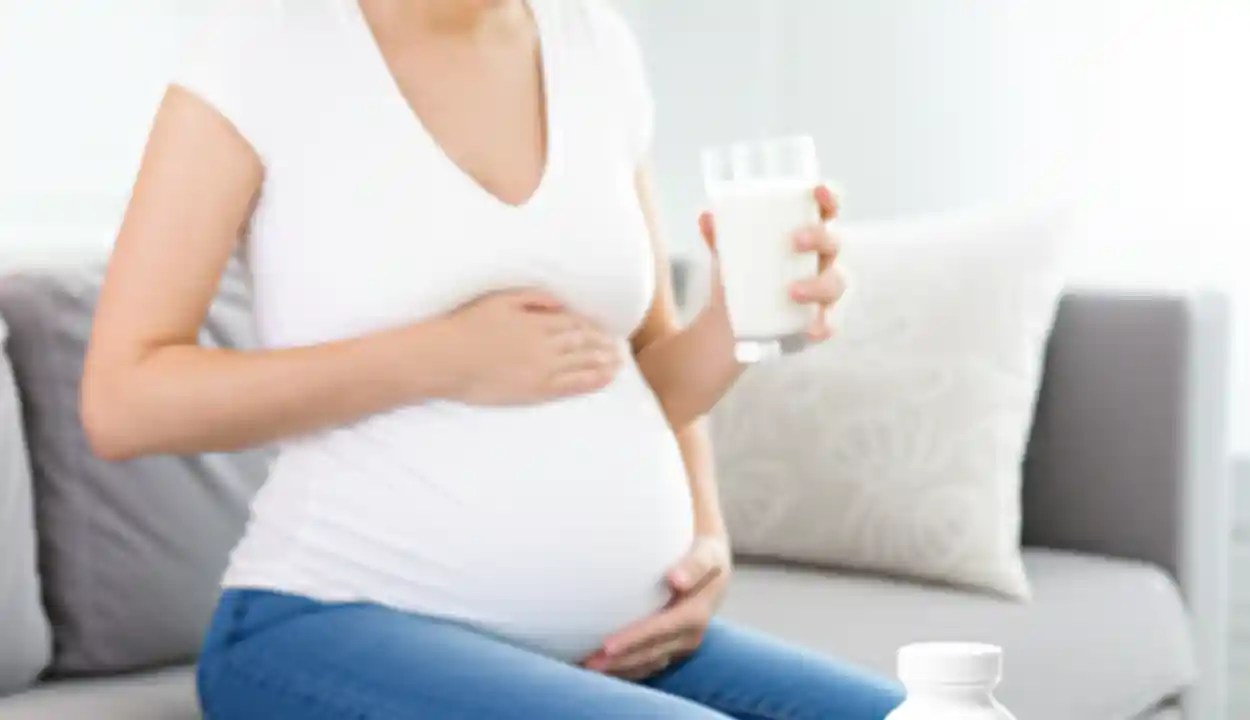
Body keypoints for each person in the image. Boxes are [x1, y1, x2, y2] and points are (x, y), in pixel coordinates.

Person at [81, 0, 903, 717]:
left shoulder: (596, 47)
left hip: (616, 644)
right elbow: (124, 398)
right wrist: (439, 357)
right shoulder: (268, 43)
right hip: (323, 625)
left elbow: (641, 378)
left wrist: (732, 332)